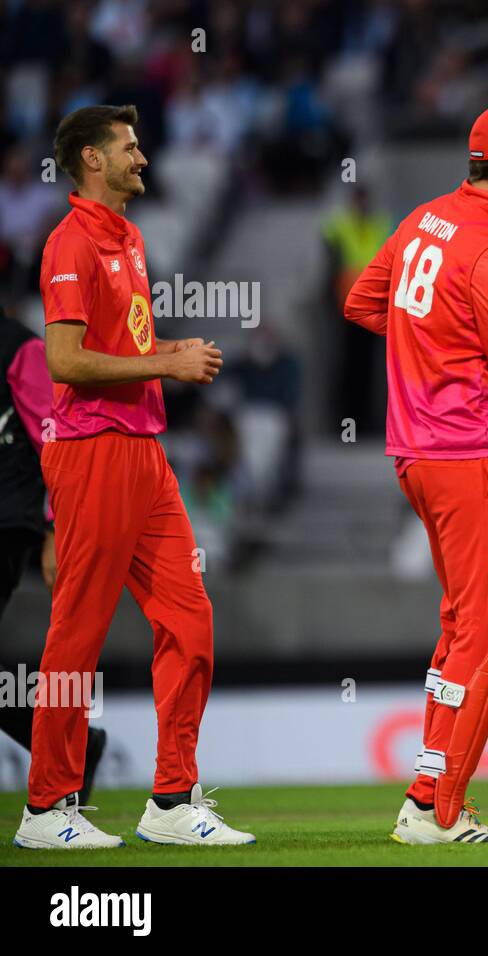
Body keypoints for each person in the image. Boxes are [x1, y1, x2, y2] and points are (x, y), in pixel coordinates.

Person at [15, 105, 250, 849]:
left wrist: (164, 352)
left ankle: (172, 799)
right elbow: (63, 361)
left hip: (144, 453)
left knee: (191, 620)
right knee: (76, 634)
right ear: (91, 160)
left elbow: (121, 345)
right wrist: (165, 363)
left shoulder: (129, 237)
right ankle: (47, 810)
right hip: (91, 453)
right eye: (129, 146)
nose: (144, 157)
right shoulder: (68, 244)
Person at [345, 101, 488, 845]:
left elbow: (362, 302)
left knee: (460, 626)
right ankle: (439, 812)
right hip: (473, 456)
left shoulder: (421, 220)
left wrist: (430, 343)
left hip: (415, 456)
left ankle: (425, 787)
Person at [0, 307, 108, 801]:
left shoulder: (20, 347)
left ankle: (74, 751)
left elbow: (55, 436)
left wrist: (54, 526)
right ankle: (77, 748)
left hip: (9, 519)